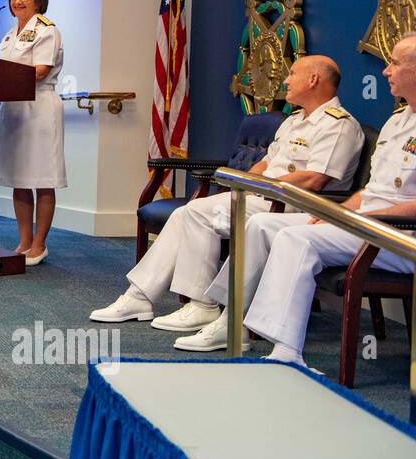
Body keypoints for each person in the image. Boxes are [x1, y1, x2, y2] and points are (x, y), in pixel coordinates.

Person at [174, 34, 416, 361]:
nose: (386, 71)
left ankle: (286, 351)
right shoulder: (398, 121)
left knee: (296, 238)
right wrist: (339, 211)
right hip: (363, 224)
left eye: (394, 63)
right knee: (261, 224)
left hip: (399, 236)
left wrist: (360, 219)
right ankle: (228, 320)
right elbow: (372, 192)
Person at [90, 55, 363, 334]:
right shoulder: (294, 120)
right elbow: (267, 162)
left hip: (296, 207)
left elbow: (314, 178)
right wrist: (249, 181)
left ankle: (201, 306)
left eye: (292, 73)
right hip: (263, 197)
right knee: (185, 213)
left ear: (314, 79)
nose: (286, 80)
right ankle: (139, 296)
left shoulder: (338, 125)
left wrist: (261, 186)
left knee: (196, 213)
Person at [0, 0, 65, 266]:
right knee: (20, 179)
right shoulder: (10, 34)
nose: (18, 1)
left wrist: (2, 75)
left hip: (39, 108)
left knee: (42, 178)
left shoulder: (46, 30)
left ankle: (40, 244)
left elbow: (39, 70)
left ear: (39, 0)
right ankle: (24, 240)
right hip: (14, 108)